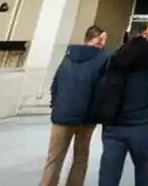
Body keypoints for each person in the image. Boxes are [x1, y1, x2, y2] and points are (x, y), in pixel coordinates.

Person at [96, 29, 148, 186]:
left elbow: (103, 86)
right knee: (143, 169)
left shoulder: (115, 57)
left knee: (109, 172)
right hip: (141, 124)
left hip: (113, 124)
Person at [43, 25, 110, 186]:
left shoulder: (68, 55)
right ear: (99, 39)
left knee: (54, 158)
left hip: (62, 115)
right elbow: (103, 89)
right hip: (87, 119)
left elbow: (55, 83)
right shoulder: (103, 58)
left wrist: (57, 105)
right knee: (80, 158)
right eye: (103, 39)